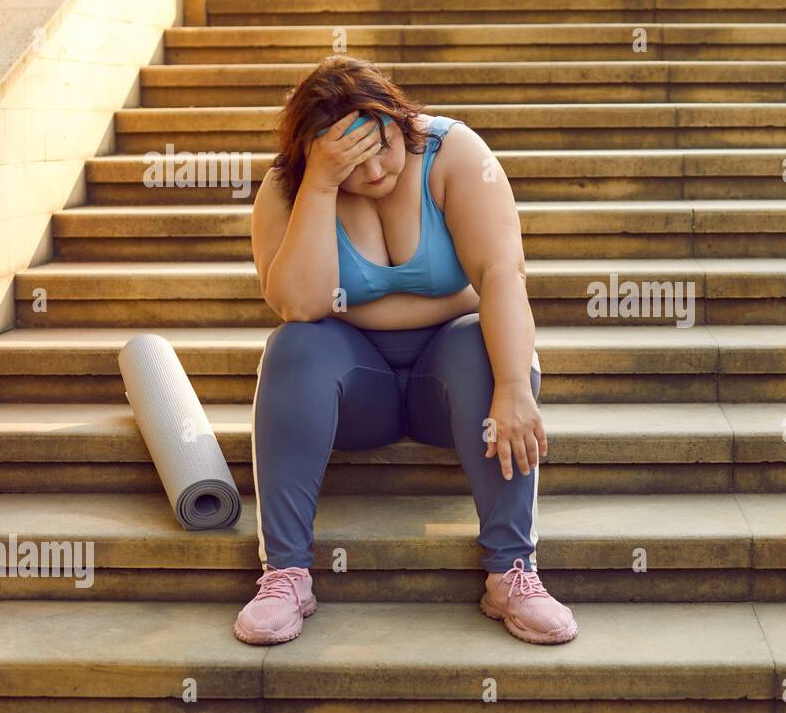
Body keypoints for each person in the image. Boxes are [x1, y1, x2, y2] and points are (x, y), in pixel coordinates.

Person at [234, 55, 577, 646]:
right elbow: (299, 305)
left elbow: (500, 276)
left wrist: (515, 390)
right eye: (348, 161)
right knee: (296, 346)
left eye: (382, 146)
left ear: (403, 120)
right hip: (355, 389)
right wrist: (318, 185)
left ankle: (512, 572)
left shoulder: (455, 154)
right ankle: (285, 574)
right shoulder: (287, 187)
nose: (371, 173)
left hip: (447, 389)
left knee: (478, 342)